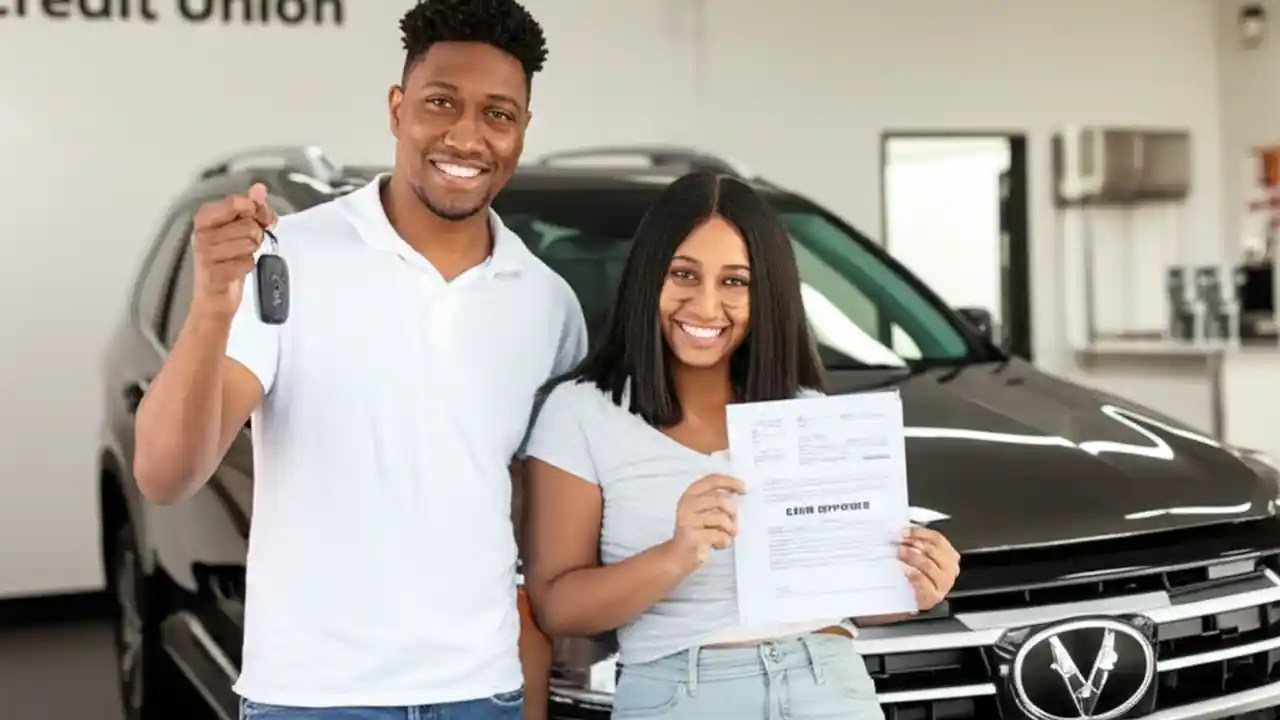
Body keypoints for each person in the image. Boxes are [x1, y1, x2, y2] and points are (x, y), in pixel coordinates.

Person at [131, 0, 584, 718]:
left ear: (522, 132)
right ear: (398, 108)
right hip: (313, 698)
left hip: (481, 693)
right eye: (442, 103)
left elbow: (534, 529)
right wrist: (214, 302)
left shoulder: (548, 305)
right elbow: (163, 474)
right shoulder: (288, 257)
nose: (467, 135)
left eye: (498, 114)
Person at [518, 171, 962, 719]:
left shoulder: (810, 412)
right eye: (683, 274)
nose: (706, 307)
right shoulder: (583, 412)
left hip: (829, 684)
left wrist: (916, 589)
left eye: (735, 282)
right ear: (647, 277)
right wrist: (675, 555)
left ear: (767, 293)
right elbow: (557, 607)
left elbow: (850, 601)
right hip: (683, 694)